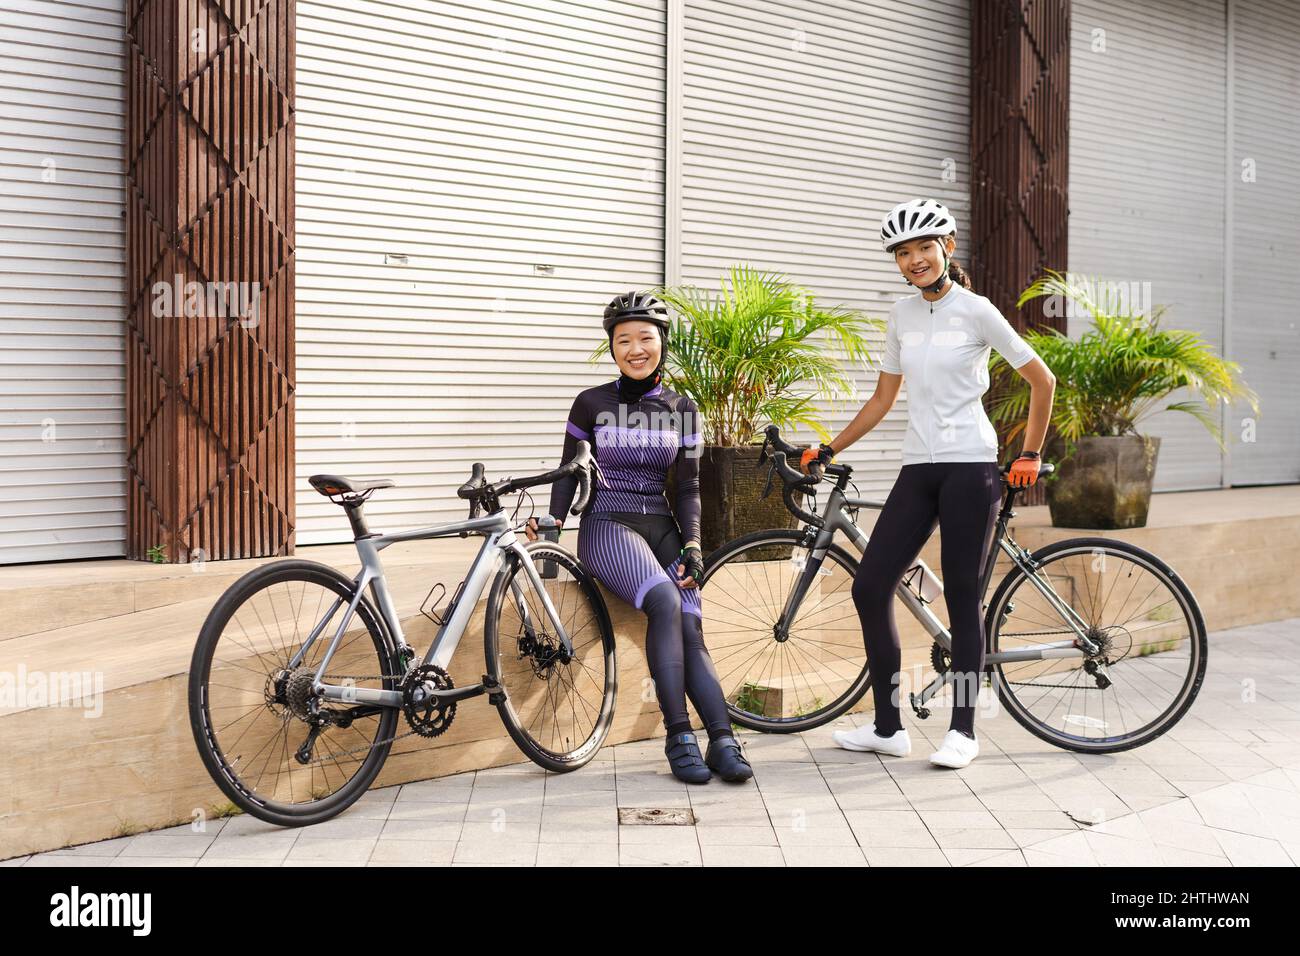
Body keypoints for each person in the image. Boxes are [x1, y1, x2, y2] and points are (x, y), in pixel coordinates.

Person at [802, 198, 1056, 769]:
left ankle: (964, 730)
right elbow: (883, 398)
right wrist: (829, 448)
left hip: (971, 466)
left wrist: (1031, 454)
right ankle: (889, 728)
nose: (914, 259)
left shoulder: (978, 310)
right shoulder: (901, 315)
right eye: (903, 252)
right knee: (870, 586)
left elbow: (1043, 380)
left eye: (924, 247)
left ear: (948, 248)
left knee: (964, 597)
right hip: (919, 467)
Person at [526, 291, 753, 785]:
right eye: (623, 340)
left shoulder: (683, 409)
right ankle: (679, 737)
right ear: (612, 348)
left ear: (662, 343)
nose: (634, 349)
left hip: (663, 525)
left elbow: (689, 486)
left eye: (644, 338)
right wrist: (552, 526)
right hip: (608, 524)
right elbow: (569, 472)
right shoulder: (591, 403)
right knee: (667, 605)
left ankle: (722, 738)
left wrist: (692, 547)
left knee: (691, 623)